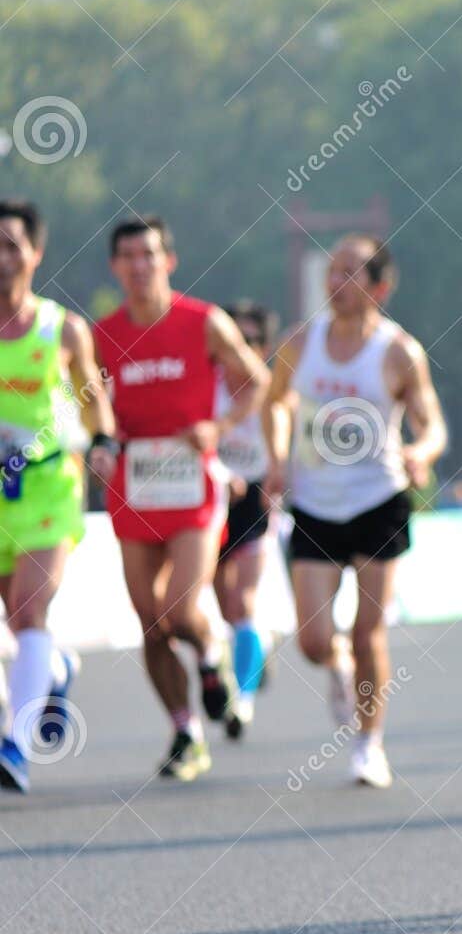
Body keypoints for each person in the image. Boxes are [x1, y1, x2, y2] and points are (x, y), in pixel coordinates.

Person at [265, 235, 447, 789]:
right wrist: (277, 458)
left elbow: (431, 423)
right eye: (332, 271)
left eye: (350, 273)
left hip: (378, 499)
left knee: (370, 632)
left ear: (379, 287)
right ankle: (337, 665)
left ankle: (369, 744)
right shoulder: (300, 342)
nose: (335, 283)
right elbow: (274, 403)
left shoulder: (398, 352)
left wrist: (421, 453)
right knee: (313, 641)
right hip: (315, 503)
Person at [94, 215, 268, 781]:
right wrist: (99, 444)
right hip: (134, 483)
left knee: (180, 610)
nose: (139, 266)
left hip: (193, 486)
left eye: (148, 255)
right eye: (128, 257)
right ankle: (185, 730)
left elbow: (258, 381)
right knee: (150, 621)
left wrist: (219, 426)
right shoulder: (102, 334)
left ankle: (212, 659)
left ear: (168, 260)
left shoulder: (203, 321)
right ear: (115, 266)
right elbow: (87, 403)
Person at [0, 199, 118, 792]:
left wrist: (104, 442)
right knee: (16, 620)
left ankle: (15, 745)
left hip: (47, 486)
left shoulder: (62, 328)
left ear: (35, 254)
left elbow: (93, 396)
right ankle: (55, 667)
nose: (1, 259)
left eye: (11, 246)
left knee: (28, 610)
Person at [213, 301, 279, 739]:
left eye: (252, 340)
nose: (244, 348)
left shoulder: (271, 392)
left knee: (244, 601)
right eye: (235, 339)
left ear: (264, 347)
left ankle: (242, 699)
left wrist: (275, 480)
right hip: (211, 500)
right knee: (226, 607)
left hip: (255, 500)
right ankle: (255, 645)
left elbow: (283, 447)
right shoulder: (209, 385)